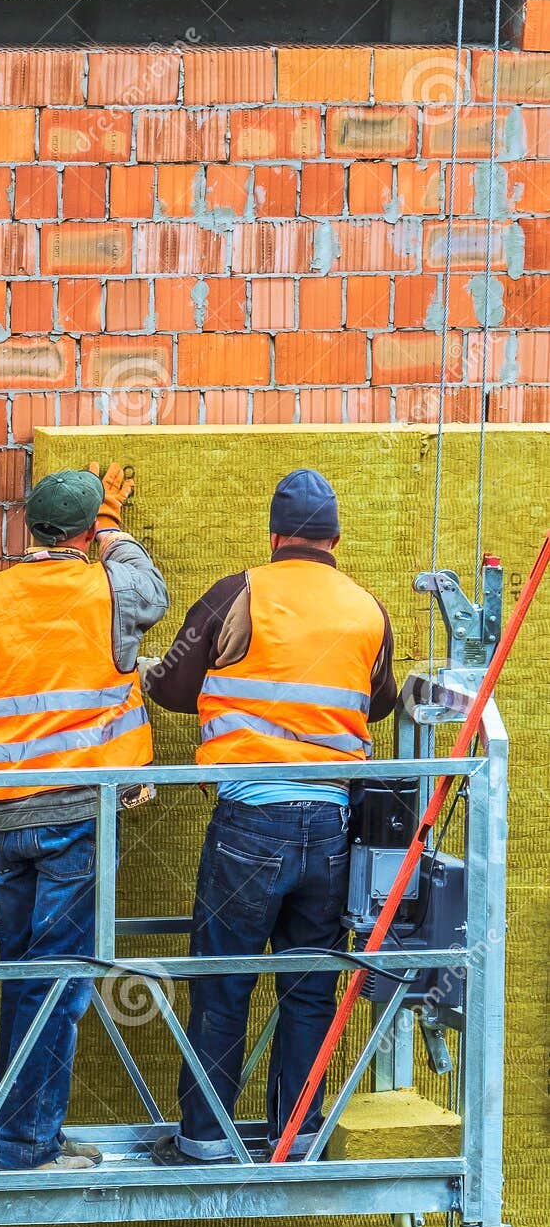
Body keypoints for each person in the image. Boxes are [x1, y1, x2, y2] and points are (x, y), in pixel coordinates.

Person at [142, 469, 398, 1164]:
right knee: (309, 988)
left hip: (252, 818)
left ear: (275, 535)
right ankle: (297, 1135)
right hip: (331, 826)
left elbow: (169, 686)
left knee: (223, 982)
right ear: (335, 539)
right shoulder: (365, 607)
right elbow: (379, 704)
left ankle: (203, 1139)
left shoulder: (241, 590)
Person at [0, 463, 168, 1172]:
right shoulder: (110, 584)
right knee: (59, 979)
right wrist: (111, 521)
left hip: (8, 818)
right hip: (77, 814)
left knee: (25, 976)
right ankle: (28, 1145)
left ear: (30, 527)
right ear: (83, 530)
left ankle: (22, 1134)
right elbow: (152, 591)